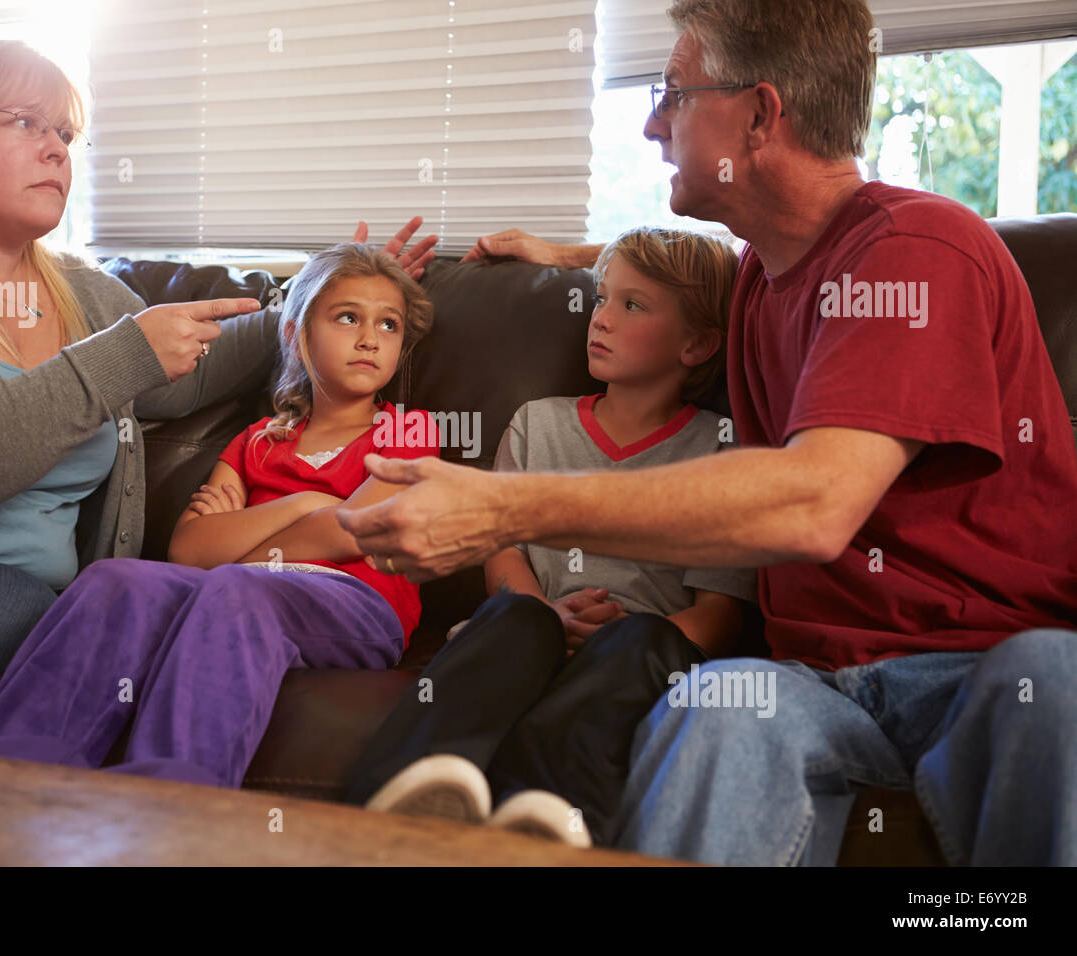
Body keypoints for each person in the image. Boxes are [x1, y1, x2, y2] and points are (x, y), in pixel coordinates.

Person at [333, 0, 1077, 865]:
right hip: (811, 683)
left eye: (672, 93)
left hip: (980, 670)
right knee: (718, 707)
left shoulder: (918, 251)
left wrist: (502, 507)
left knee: (1058, 689)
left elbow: (817, 501)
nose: (651, 124)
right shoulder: (760, 274)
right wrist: (566, 256)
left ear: (759, 115)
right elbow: (670, 271)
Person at [0, 40, 435, 738]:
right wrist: (117, 359)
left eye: (64, 133)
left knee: (7, 599)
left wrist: (327, 300)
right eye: (25, 123)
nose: (57, 149)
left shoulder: (84, 292)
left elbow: (191, 367)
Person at [0, 243, 440, 787]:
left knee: (233, 588)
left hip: (357, 603)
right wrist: (306, 504)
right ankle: (1, 771)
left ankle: (173, 797)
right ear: (296, 336)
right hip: (237, 588)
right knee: (115, 579)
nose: (370, 338)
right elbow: (188, 551)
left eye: (389, 325)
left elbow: (356, 530)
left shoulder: (408, 429)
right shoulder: (257, 440)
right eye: (348, 318)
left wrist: (237, 548)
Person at [342, 227, 757, 847]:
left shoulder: (723, 448)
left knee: (638, 641)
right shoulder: (540, 423)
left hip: (641, 651)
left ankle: (544, 814)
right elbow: (501, 547)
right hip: (534, 625)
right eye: (601, 299)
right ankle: (390, 803)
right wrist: (546, 614)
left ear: (697, 343)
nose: (602, 320)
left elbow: (719, 615)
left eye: (632, 305)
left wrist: (610, 640)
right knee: (514, 621)